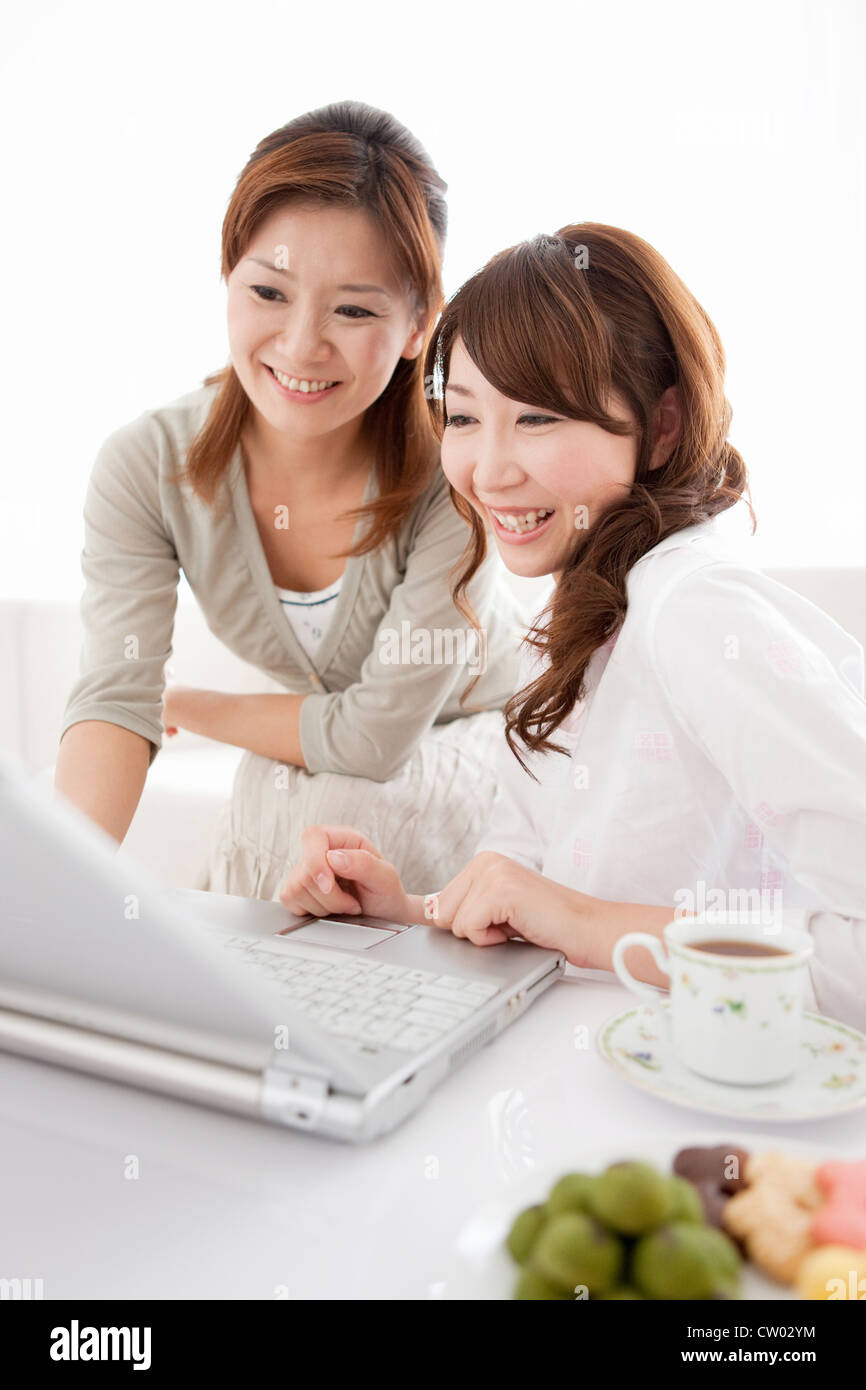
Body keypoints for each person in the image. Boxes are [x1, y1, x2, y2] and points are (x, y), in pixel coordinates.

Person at [277, 222, 866, 1030]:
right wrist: (399, 910)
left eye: (540, 419)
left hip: (713, 1116)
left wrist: (582, 925)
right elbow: (529, 894)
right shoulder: (572, 611)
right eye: (463, 417)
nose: (488, 470)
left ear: (661, 426)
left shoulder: (696, 611)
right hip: (587, 1081)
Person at [55, 101, 525, 896]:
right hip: (338, 742)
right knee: (277, 809)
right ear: (228, 277)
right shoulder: (147, 465)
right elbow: (113, 695)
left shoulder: (456, 470)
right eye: (269, 293)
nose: (303, 345)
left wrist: (190, 706)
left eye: (354, 309)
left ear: (419, 326)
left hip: (484, 732)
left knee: (325, 812)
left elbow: (374, 739)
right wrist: (60, 901)